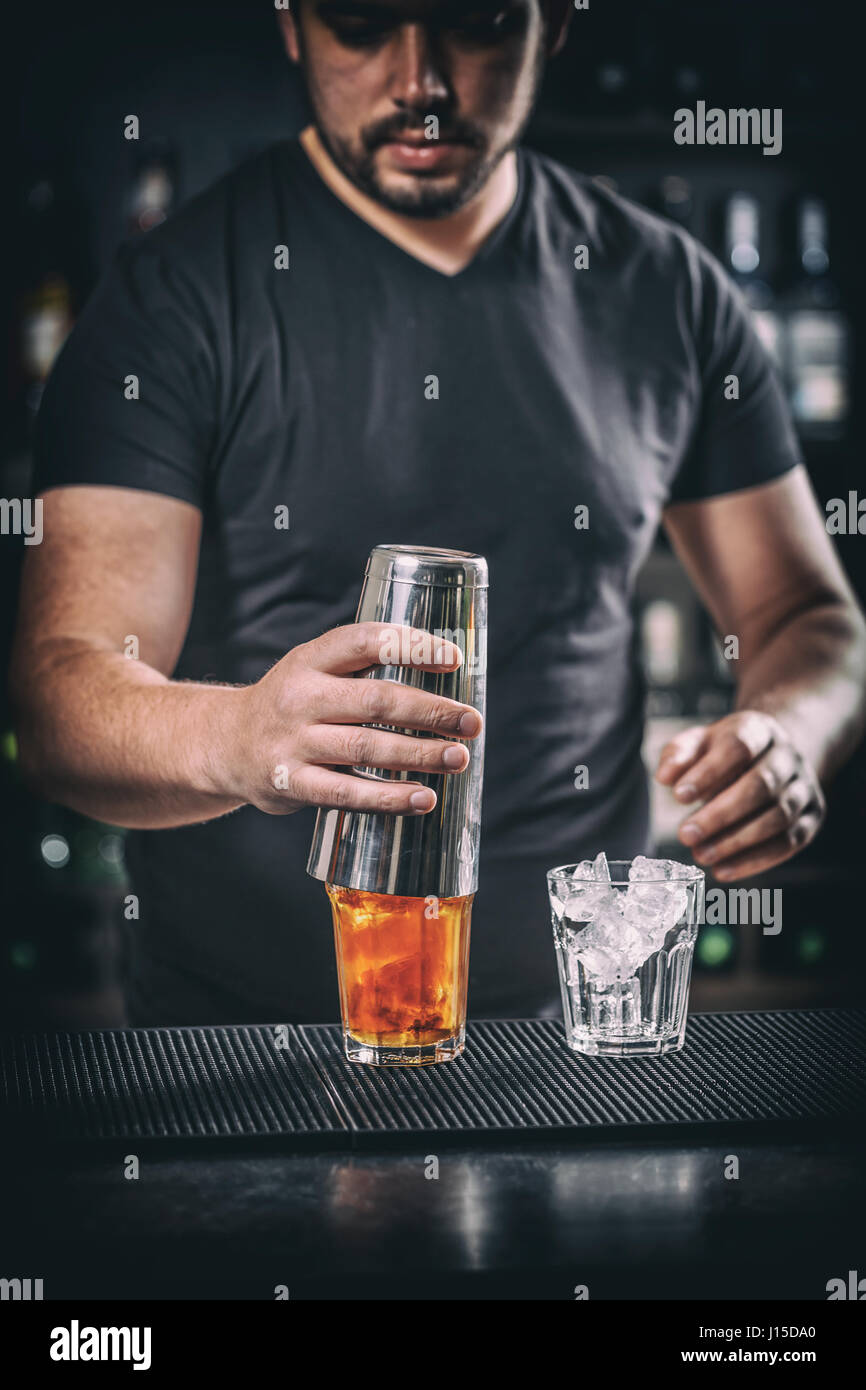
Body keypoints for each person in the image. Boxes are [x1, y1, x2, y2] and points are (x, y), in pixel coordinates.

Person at [10, 0, 866, 1025]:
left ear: (553, 25)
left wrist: (785, 732)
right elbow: (59, 696)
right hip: (237, 1048)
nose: (420, 79)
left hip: (576, 1034)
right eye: (363, 23)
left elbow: (809, 621)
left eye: (476, 21)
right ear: (290, 23)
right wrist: (241, 734)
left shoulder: (665, 293)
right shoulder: (170, 297)